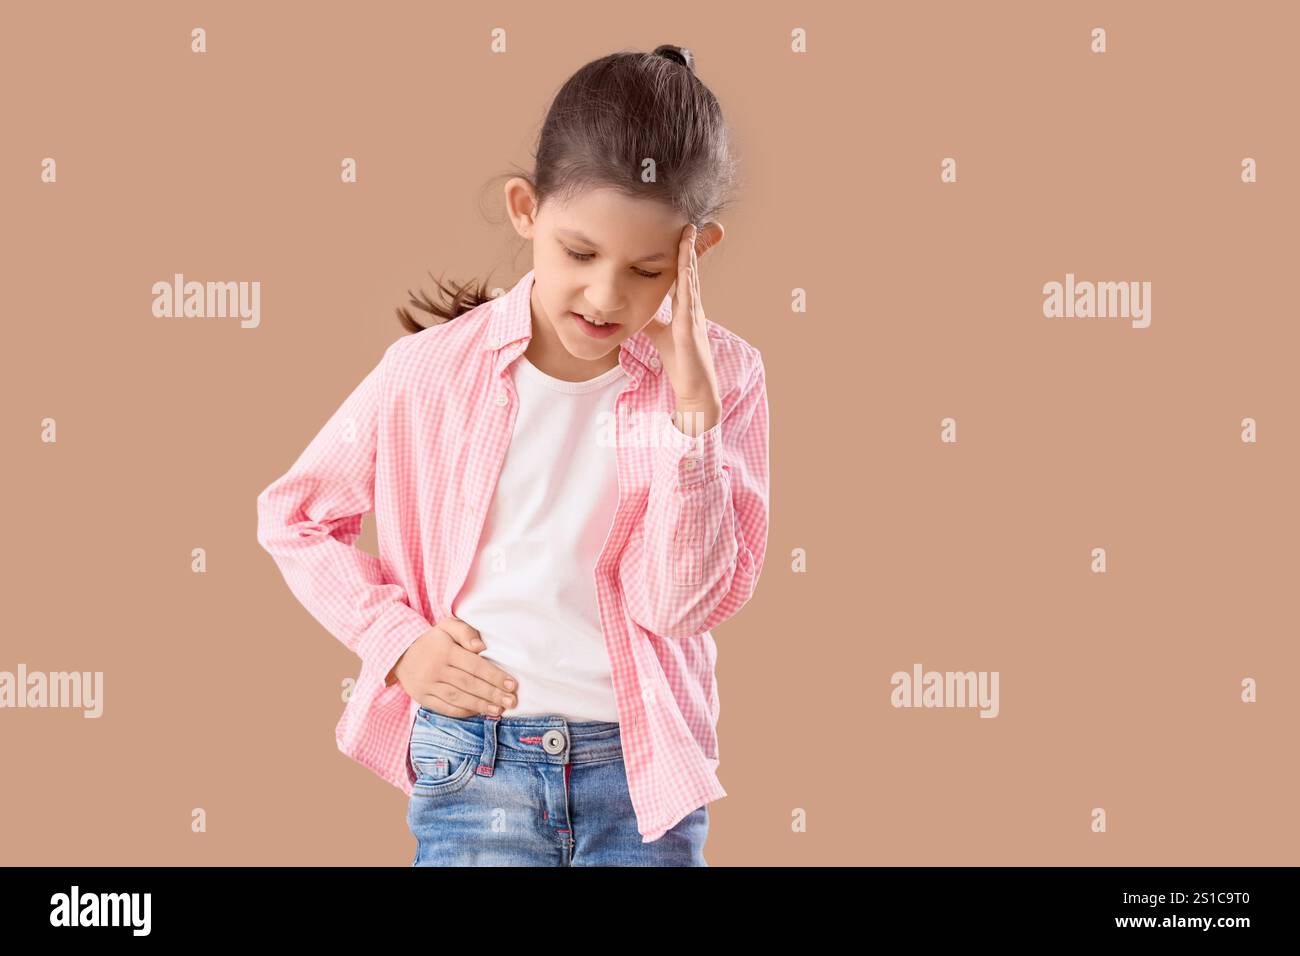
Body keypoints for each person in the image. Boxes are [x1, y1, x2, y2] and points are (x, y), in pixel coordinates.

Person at [255, 43, 769, 866]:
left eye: (645, 270)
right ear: (526, 209)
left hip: (642, 782)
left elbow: (679, 605)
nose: (605, 296)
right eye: (578, 253)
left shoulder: (724, 382)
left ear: (694, 252)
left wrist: (692, 420)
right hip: (476, 766)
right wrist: (395, 641)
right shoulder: (431, 374)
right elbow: (295, 516)